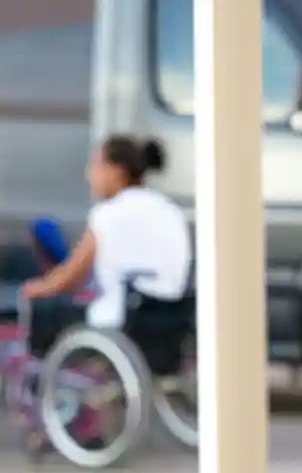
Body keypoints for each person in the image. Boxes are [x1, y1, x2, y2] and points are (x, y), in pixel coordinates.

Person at [22, 135, 192, 354]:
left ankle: (40, 382)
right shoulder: (171, 212)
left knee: (45, 312)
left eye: (96, 166)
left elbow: (69, 277)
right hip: (171, 324)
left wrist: (35, 289)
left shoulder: (107, 215)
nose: (89, 175)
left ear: (117, 171)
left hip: (120, 324)